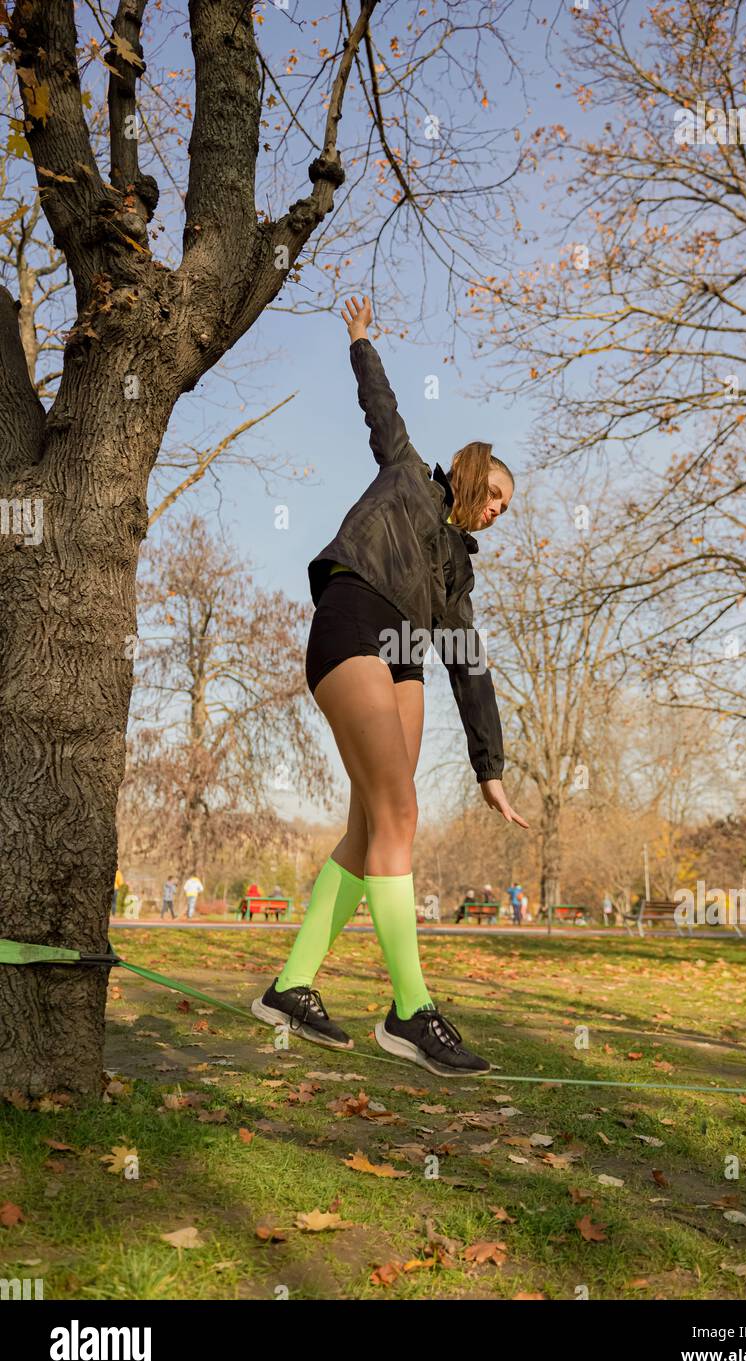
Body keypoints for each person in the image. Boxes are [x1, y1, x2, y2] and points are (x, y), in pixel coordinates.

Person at [252, 293, 528, 1077]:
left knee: (376, 829)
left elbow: (468, 664)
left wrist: (491, 770)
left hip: (405, 652)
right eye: (497, 496)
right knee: (398, 808)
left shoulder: (456, 576)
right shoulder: (409, 473)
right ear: (473, 475)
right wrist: (361, 340)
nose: (499, 512)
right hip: (352, 620)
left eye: (506, 508)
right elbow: (382, 409)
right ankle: (410, 1010)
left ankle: (292, 985)